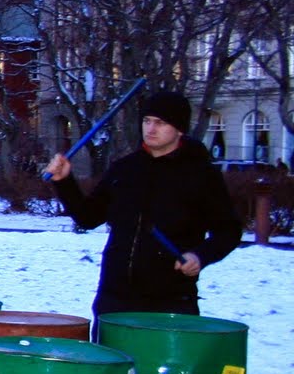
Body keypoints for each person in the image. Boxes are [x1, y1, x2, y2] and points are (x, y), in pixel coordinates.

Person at [45, 91, 240, 328]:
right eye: (147, 121)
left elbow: (229, 231)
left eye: (161, 123)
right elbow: (88, 217)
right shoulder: (125, 169)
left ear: (179, 129)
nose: (151, 129)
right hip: (115, 299)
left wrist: (200, 256)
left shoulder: (201, 175)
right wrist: (64, 181)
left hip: (170, 301)